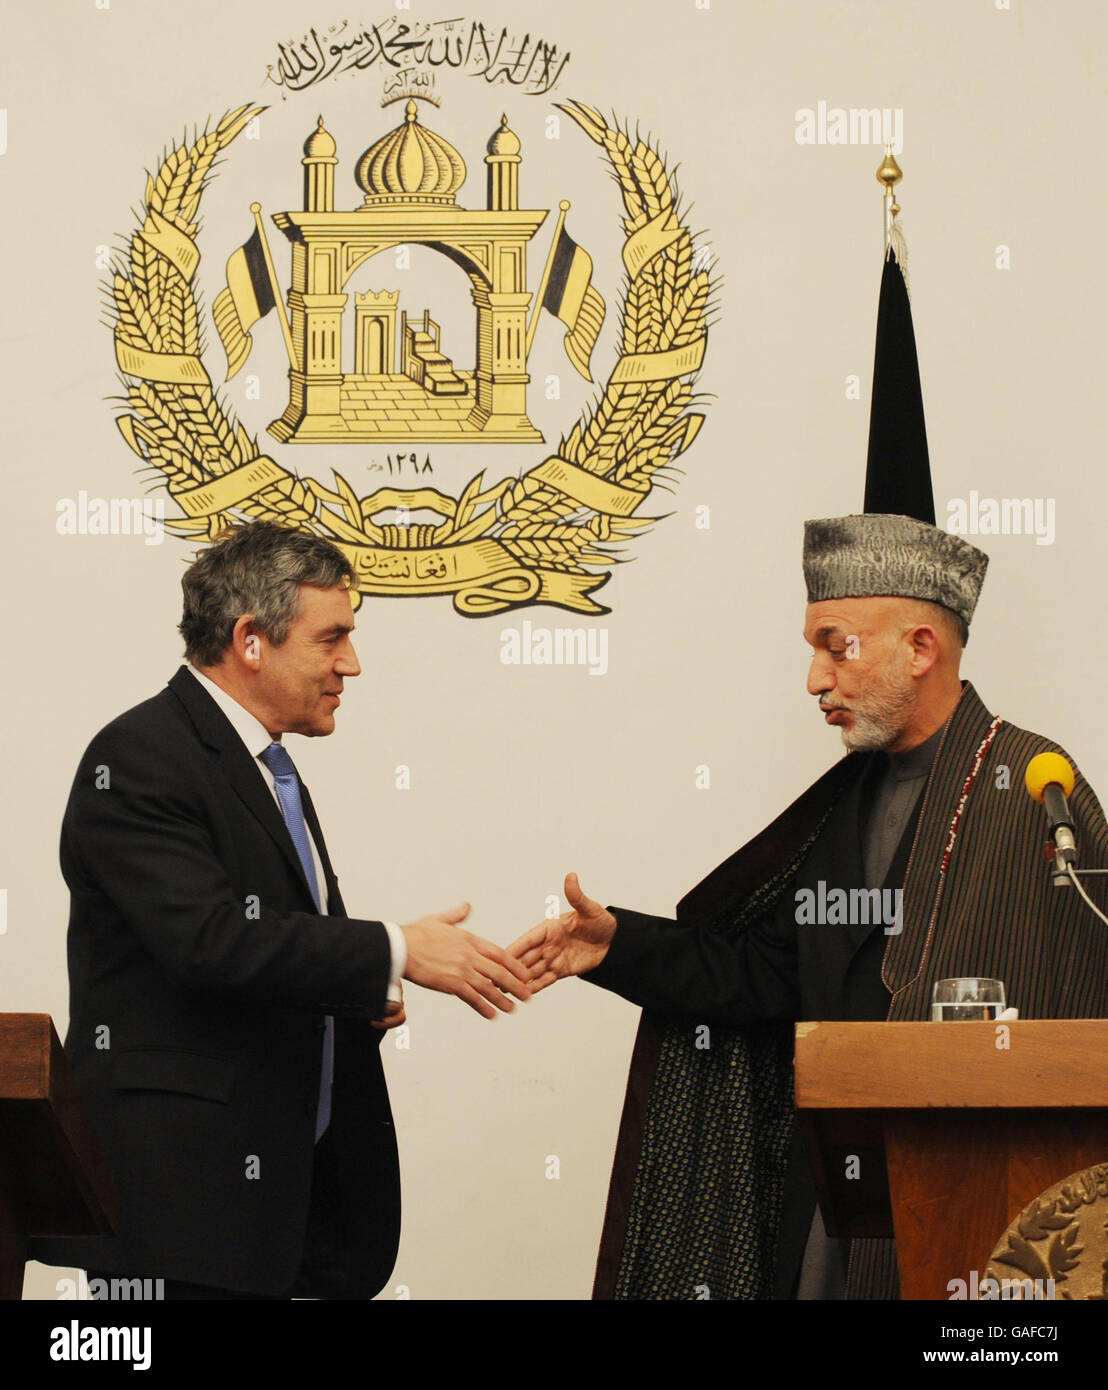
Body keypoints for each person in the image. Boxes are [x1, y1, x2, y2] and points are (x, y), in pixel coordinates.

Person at [509, 243, 1108, 1300]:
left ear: (922, 646)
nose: (812, 678)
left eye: (836, 643)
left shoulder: (1034, 789)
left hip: (992, 1246)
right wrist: (620, 946)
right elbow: (771, 984)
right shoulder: (849, 807)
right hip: (839, 1221)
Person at [31, 521, 530, 1299]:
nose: (352, 665)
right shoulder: (137, 758)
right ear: (250, 640)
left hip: (281, 1216)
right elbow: (209, 942)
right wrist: (394, 950)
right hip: (184, 1218)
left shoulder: (267, 764)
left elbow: (259, 947)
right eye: (332, 638)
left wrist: (354, 997)